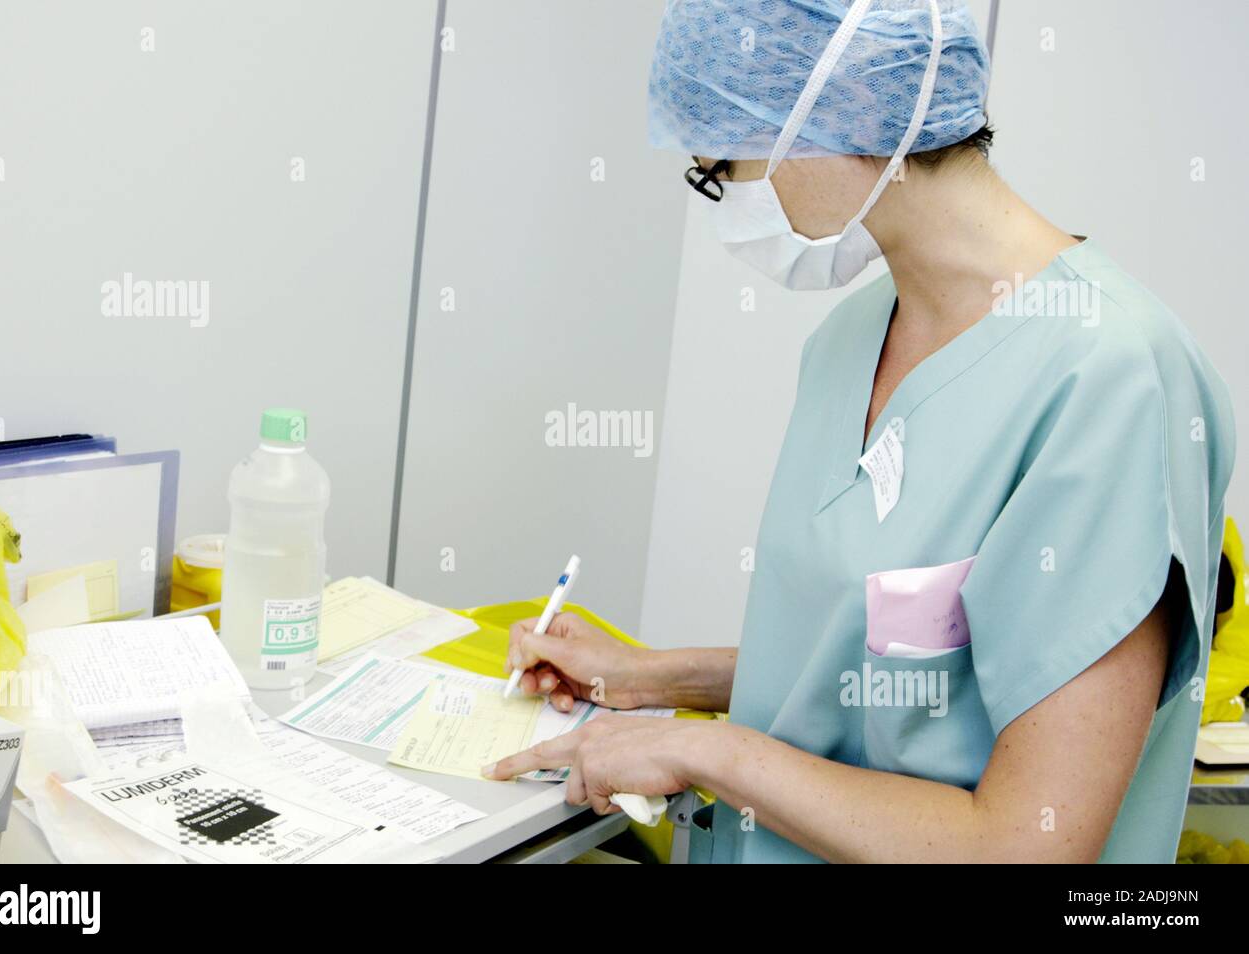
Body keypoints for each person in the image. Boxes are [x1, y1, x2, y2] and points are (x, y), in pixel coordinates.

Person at [482, 0, 1236, 863]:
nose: (725, 195)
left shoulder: (1112, 381)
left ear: (835, 103)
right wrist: (655, 677)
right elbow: (887, 680)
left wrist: (702, 746)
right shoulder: (852, 338)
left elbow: (1027, 846)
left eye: (721, 162)